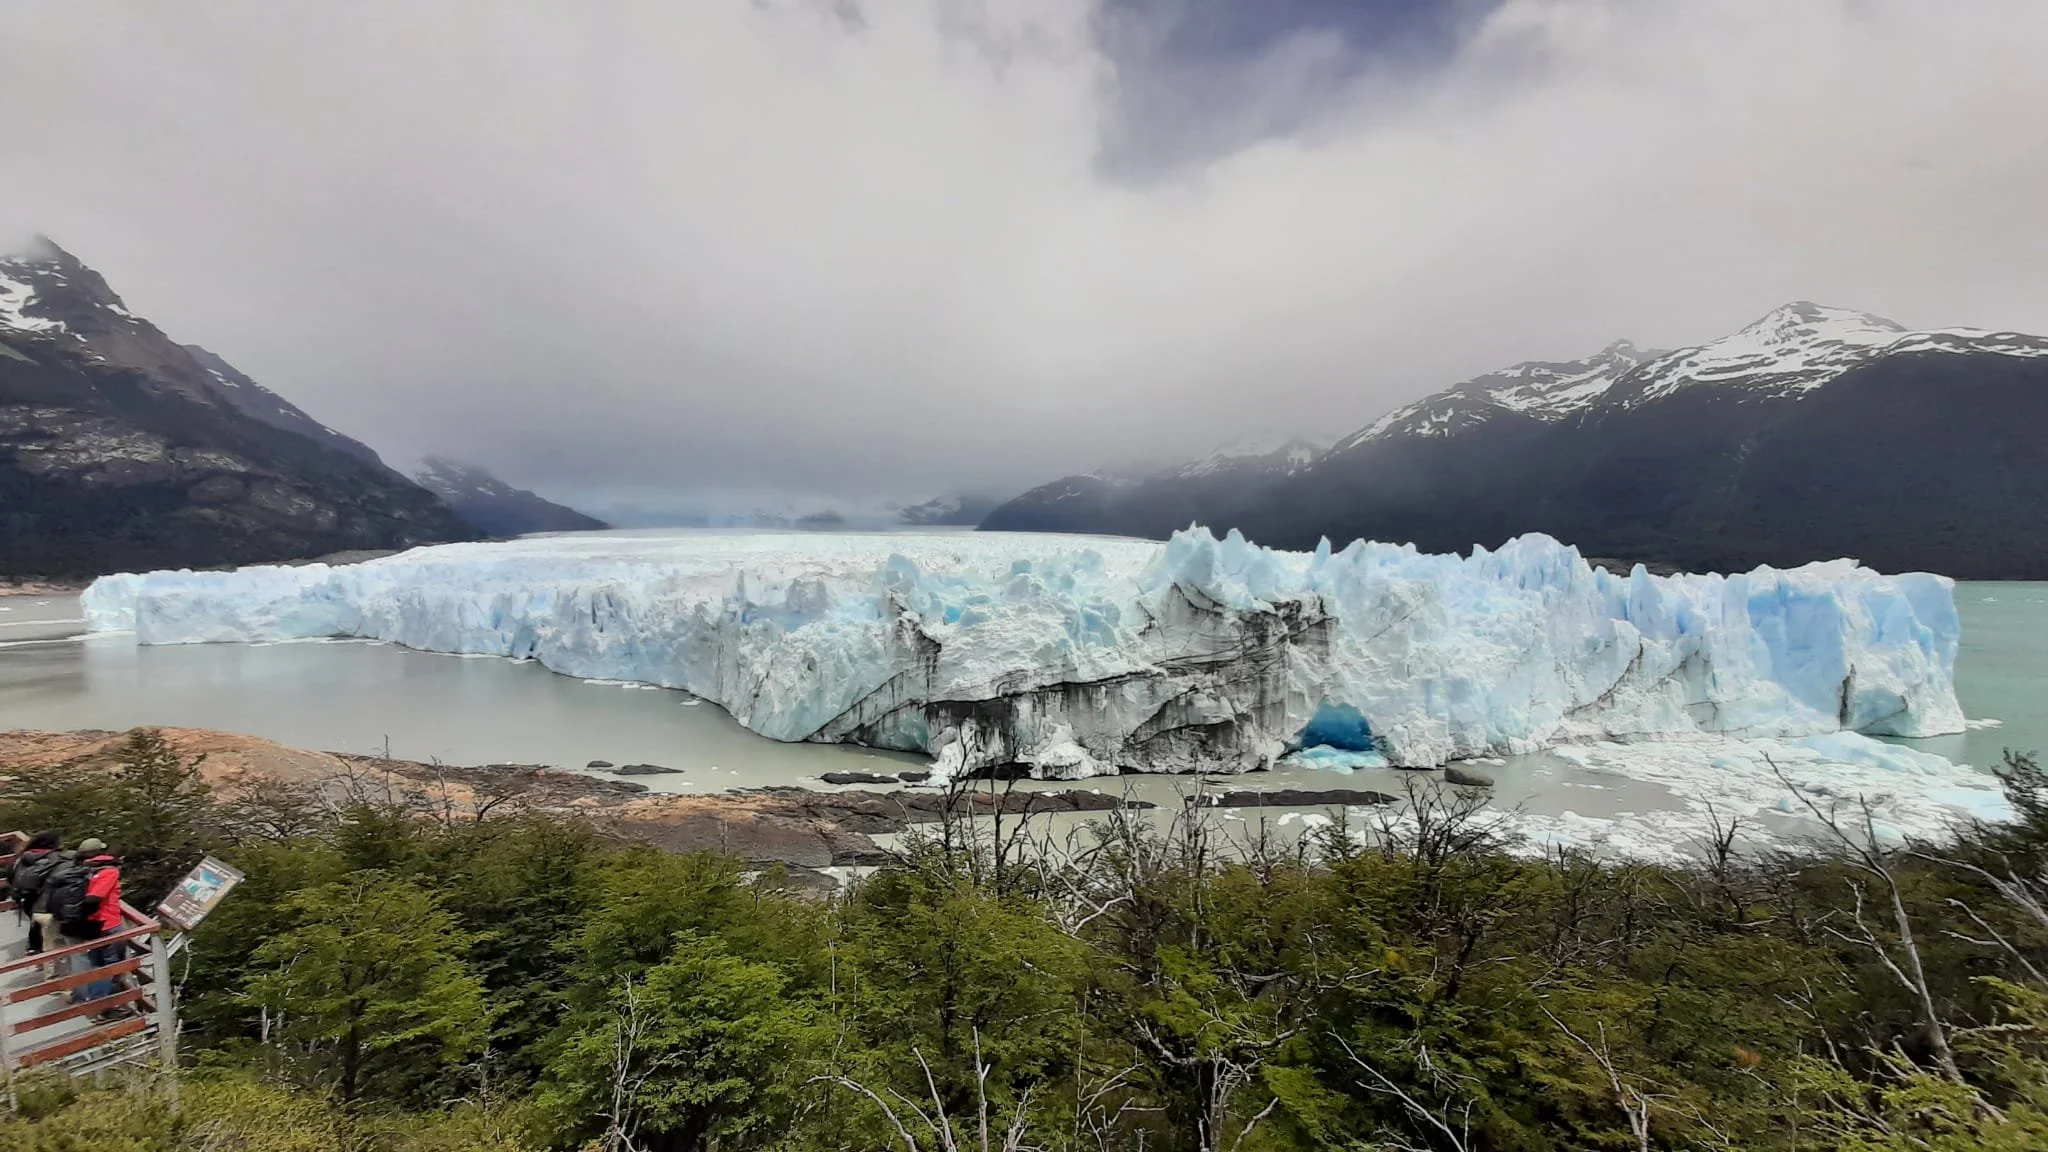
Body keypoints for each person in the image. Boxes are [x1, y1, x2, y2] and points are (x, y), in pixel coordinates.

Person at [58, 838, 129, 1016]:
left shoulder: (80, 870)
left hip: (92, 926)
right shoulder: (108, 871)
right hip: (108, 923)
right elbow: (95, 897)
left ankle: (93, 998)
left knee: (97, 963)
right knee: (110, 965)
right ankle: (103, 1008)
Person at [8, 830, 62, 959]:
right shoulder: (51, 858)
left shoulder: (22, 857)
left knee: (36, 923)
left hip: (24, 898)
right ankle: (48, 957)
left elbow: (10, 877)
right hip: (43, 899)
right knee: (46, 927)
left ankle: (34, 950)